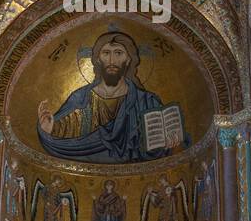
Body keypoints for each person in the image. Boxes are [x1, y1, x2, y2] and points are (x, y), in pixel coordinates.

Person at [37, 30, 184, 163]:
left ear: (128, 59)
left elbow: (156, 150)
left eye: (118, 53)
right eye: (106, 53)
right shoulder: (80, 99)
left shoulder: (147, 101)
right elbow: (63, 136)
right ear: (98, 59)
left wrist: (170, 146)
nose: (112, 60)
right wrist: (49, 130)